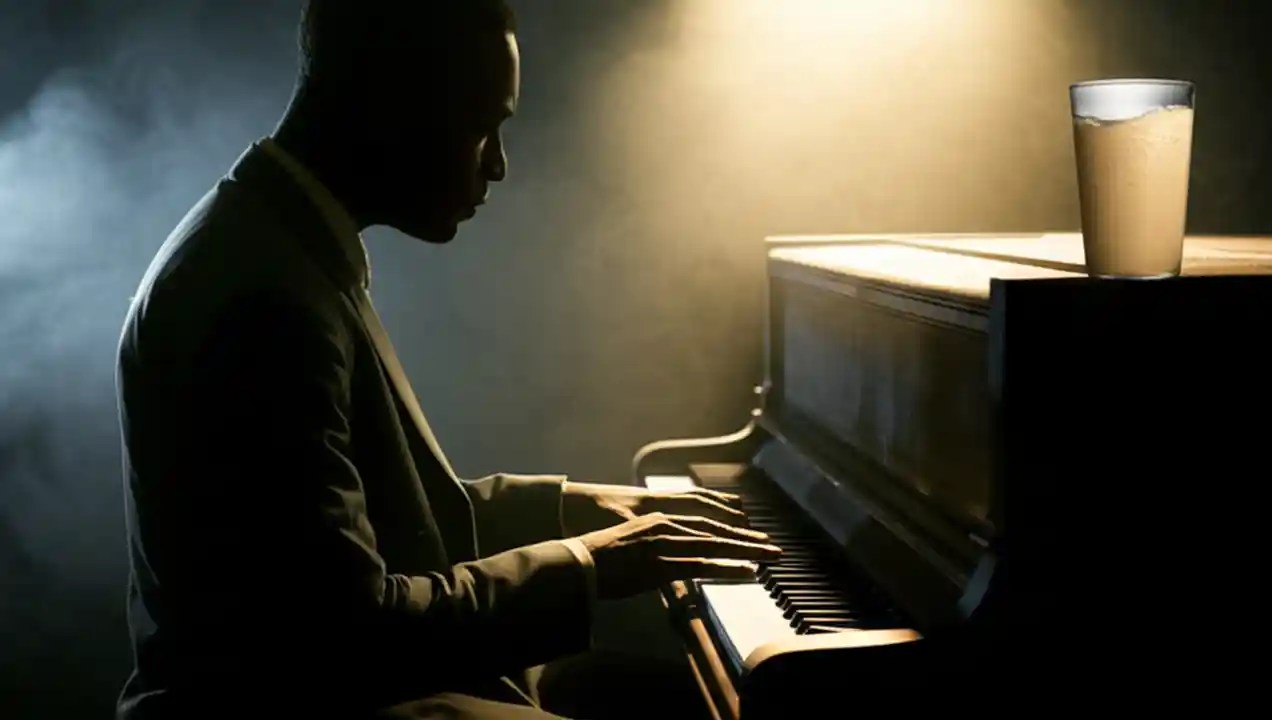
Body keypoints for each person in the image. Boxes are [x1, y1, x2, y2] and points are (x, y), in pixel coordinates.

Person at [113, 1, 780, 718]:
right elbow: (352, 634)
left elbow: (375, 518)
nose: (497, 165)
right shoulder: (268, 299)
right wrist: (597, 563)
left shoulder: (272, 240)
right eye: (481, 127)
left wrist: (577, 509)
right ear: (388, 102)